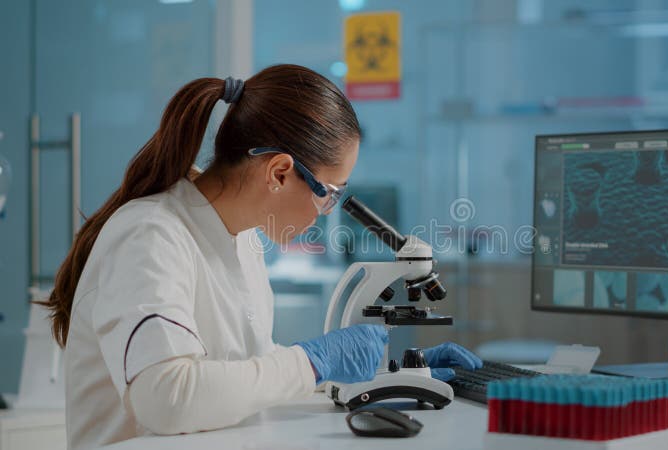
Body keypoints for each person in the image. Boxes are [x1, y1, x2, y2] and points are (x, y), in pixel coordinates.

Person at [37, 64, 481, 450]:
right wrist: (312, 361)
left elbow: (246, 381)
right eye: (328, 193)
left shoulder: (242, 239)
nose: (326, 210)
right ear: (280, 172)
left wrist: (386, 380)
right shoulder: (150, 235)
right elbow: (166, 399)